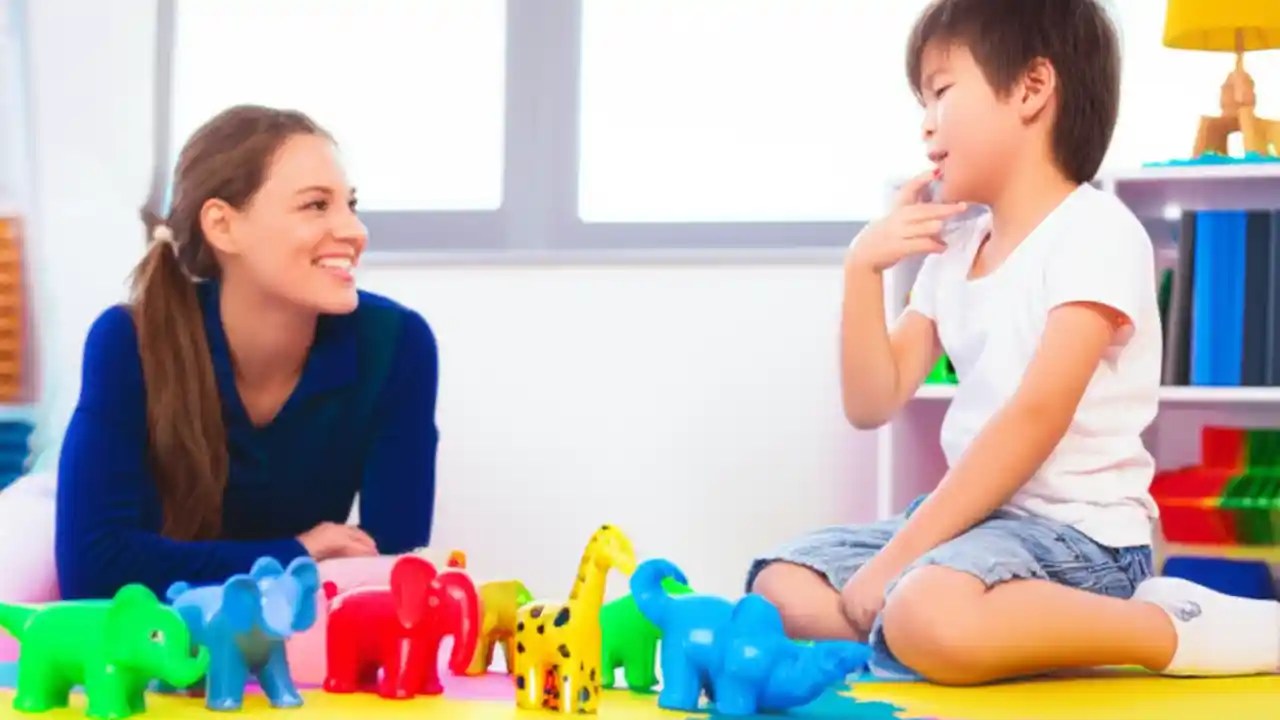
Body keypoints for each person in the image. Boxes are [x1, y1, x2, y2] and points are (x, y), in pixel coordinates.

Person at [748, 0, 1280, 684]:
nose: (926, 122)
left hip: (1082, 539)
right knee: (780, 586)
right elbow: (873, 402)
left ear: (1031, 88)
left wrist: (892, 565)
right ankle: (950, 631)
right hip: (979, 528)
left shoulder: (1096, 232)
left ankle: (1162, 625)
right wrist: (861, 268)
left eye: (941, 91)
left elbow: (1034, 420)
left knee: (922, 610)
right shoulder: (955, 251)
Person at [55, 104, 440, 600]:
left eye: (351, 205)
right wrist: (293, 553)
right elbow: (93, 570)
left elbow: (387, 565)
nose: (354, 231)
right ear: (222, 226)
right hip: (158, 635)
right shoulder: (129, 342)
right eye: (317, 205)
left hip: (266, 629)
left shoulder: (398, 346)